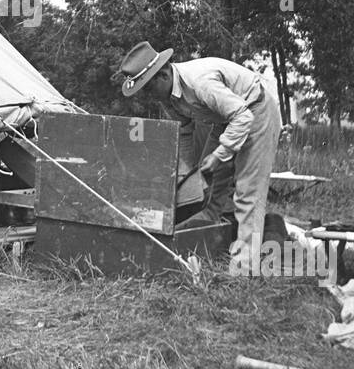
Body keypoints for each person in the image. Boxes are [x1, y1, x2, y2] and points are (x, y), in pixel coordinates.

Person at [114, 41, 281, 271]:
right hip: (223, 120)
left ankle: (245, 269)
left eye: (149, 88)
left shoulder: (201, 83)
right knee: (207, 191)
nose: (149, 96)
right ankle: (209, 246)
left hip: (255, 111)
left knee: (247, 193)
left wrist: (221, 153)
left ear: (162, 75)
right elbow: (184, 132)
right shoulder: (168, 95)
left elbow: (243, 117)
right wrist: (186, 174)